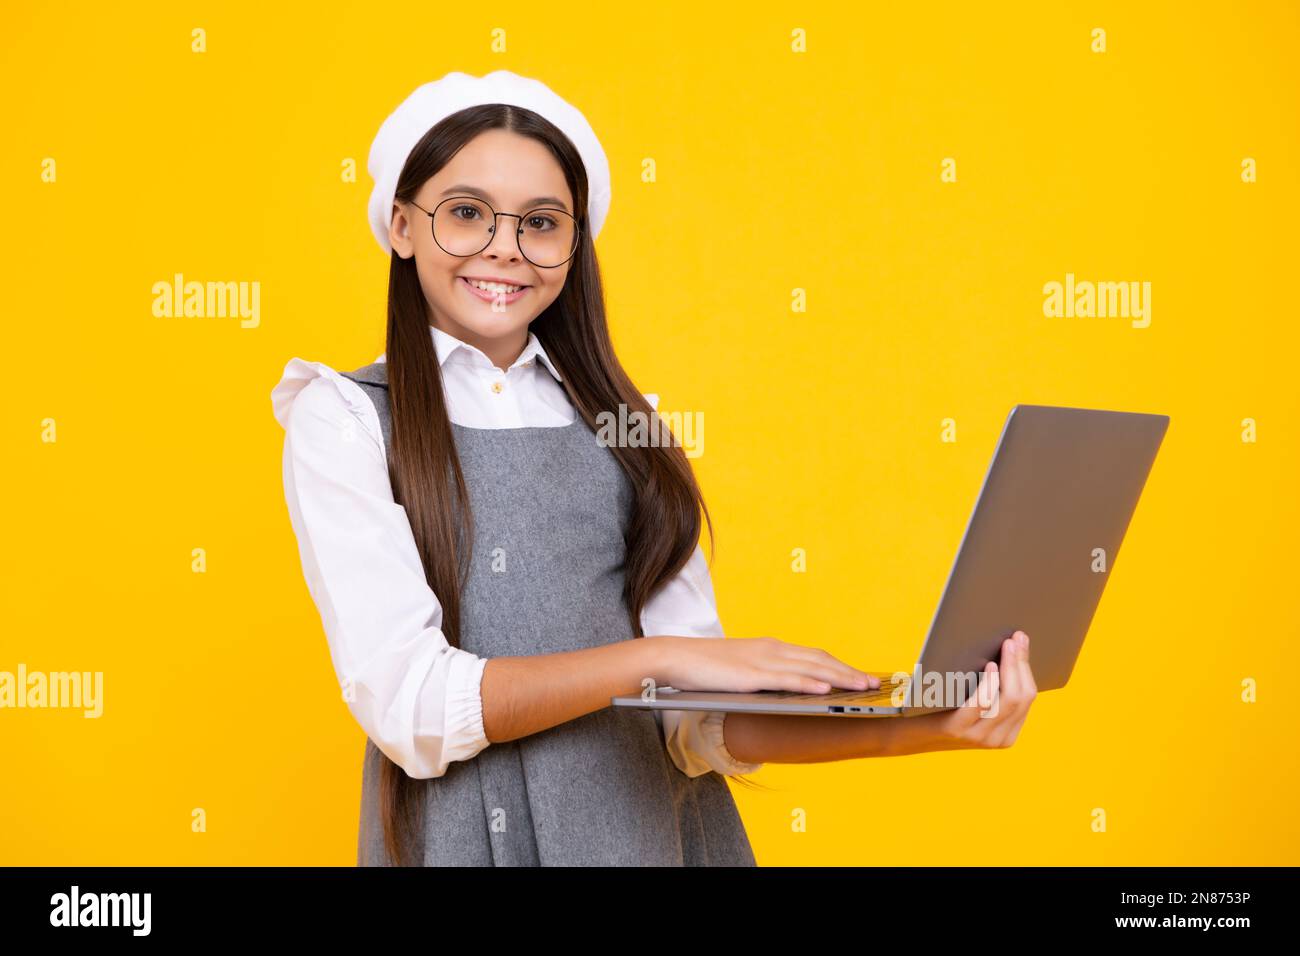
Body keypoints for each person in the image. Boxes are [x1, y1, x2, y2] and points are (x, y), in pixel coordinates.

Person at [270, 70, 1037, 867]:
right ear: (401, 224)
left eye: (541, 222)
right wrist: (659, 659)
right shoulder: (345, 418)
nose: (504, 246)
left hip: (656, 838)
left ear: (575, 246)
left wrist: (920, 724)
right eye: (465, 213)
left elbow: (695, 726)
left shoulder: (624, 424)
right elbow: (412, 707)